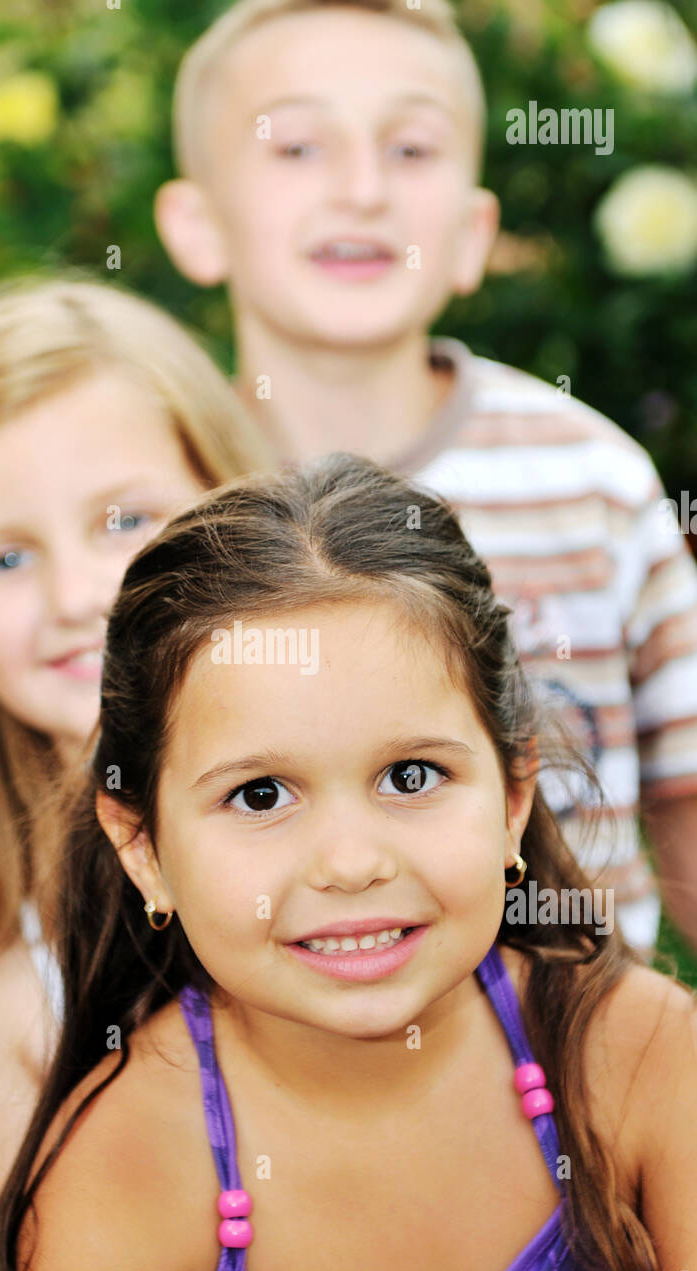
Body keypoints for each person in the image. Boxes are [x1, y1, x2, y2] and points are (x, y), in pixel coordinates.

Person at [0, 456, 696, 1271]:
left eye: (409, 776)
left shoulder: (636, 1054)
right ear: (143, 847)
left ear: (512, 798)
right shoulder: (122, 1169)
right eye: (259, 795)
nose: (352, 863)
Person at [153, 0, 697, 960]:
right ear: (197, 225)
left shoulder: (591, 477)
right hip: (270, 1084)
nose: (362, 189)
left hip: (583, 1071)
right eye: (296, 148)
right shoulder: (158, 494)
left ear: (470, 232)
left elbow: (684, 788)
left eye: (410, 150)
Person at [0, 273, 276, 1271]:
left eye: (123, 518)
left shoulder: (382, 818)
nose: (75, 594)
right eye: (5, 557)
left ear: (235, 507)